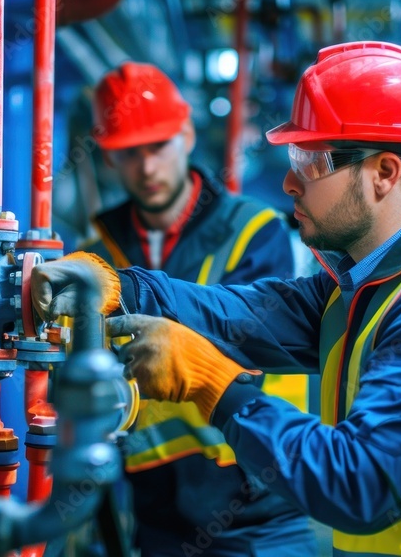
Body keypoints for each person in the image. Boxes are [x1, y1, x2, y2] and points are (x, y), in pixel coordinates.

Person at [35, 42, 401, 556]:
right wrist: (122, 286)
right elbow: (242, 316)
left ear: (384, 173)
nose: (290, 184)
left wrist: (211, 384)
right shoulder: (365, 288)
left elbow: (357, 483)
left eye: (312, 161)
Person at [76, 61, 317, 556]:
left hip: (255, 502)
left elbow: (245, 340)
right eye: (128, 153)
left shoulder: (254, 230)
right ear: (107, 158)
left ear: (185, 134)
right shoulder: (94, 256)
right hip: (156, 508)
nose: (146, 169)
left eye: (158, 146)